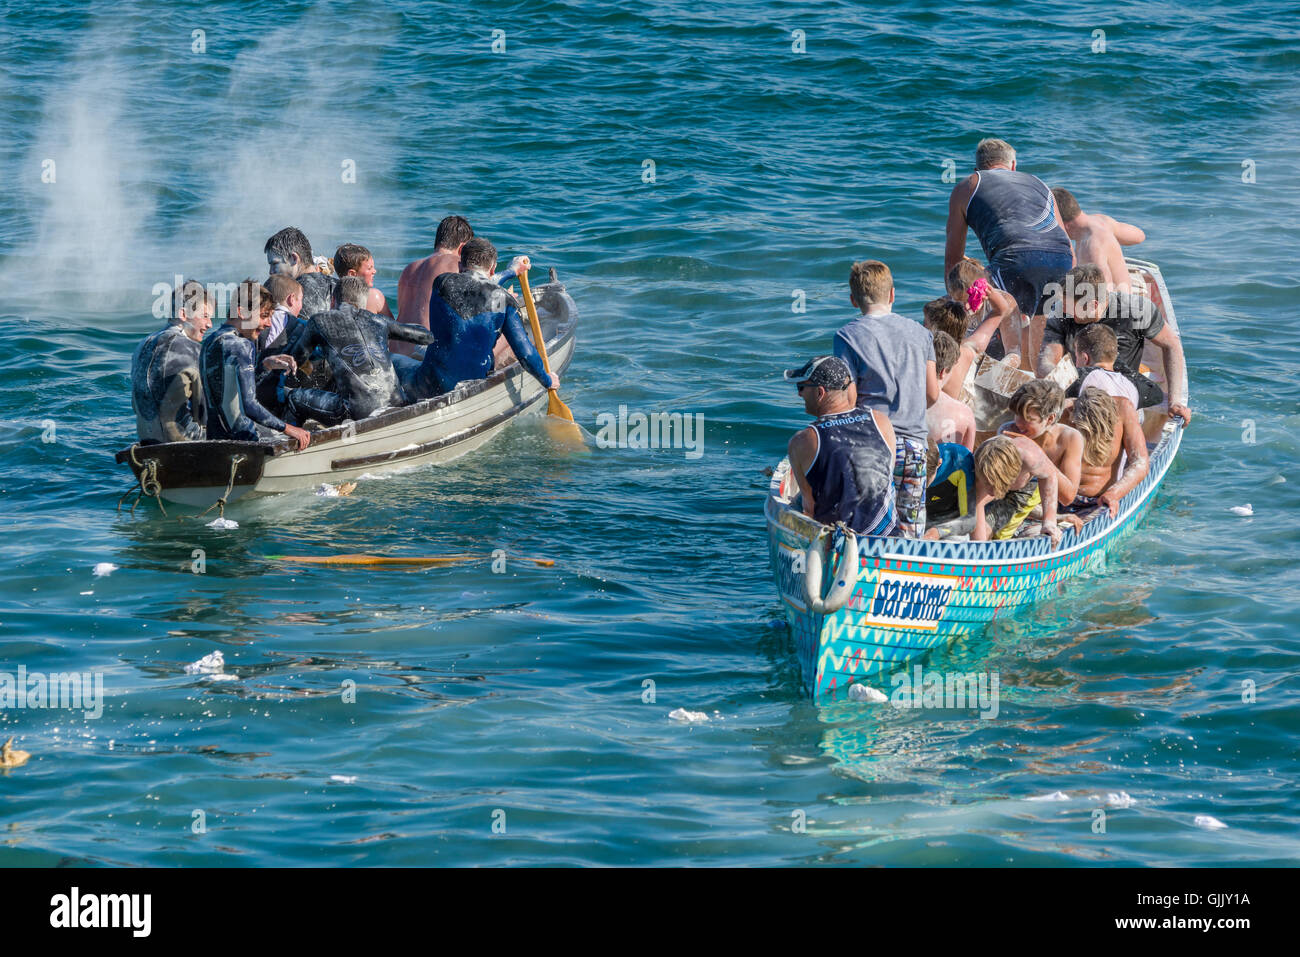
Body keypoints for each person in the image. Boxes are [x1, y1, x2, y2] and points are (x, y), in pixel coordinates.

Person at [832, 259, 938, 538]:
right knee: (910, 527)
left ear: (853, 300)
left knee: (867, 525)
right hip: (915, 445)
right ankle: (909, 573)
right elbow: (932, 393)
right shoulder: (922, 334)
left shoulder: (846, 336)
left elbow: (848, 398)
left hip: (873, 444)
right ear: (893, 294)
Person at [945, 138, 1074, 367]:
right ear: (1013, 166)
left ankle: (1007, 372)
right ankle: (1039, 375)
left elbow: (954, 261)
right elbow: (1068, 247)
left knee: (1008, 324)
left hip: (1016, 260)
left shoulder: (968, 185)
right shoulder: (1040, 184)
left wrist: (956, 301)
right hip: (1062, 260)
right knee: (1037, 325)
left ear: (978, 168)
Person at [400, 238, 557, 402]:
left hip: (430, 385)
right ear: (492, 269)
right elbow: (525, 354)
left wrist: (511, 272)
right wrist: (548, 380)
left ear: (460, 266)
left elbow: (476, 284)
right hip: (474, 389)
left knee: (395, 360)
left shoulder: (441, 283)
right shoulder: (505, 301)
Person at [1039, 263, 1190, 424]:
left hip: (1124, 398)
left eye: (1071, 308)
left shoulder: (1135, 309)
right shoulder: (1061, 313)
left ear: (1094, 304)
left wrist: (1174, 401)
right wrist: (1055, 384)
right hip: (1077, 396)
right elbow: (1047, 361)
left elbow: (1172, 345)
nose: (1066, 312)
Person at [283, 277, 438, 425]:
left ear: (332, 301)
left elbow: (296, 359)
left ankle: (294, 441)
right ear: (363, 303)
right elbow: (426, 337)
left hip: (353, 413)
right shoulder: (378, 320)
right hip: (397, 404)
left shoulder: (318, 321)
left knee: (294, 397)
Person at [784, 356, 898, 536]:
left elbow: (809, 509)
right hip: (887, 542)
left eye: (801, 387)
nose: (799, 394)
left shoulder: (804, 440)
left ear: (820, 393)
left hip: (839, 547)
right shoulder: (881, 421)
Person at [199, 279, 311, 450]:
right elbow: (250, 406)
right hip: (245, 440)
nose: (268, 324)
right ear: (242, 312)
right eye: (264, 316)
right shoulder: (241, 345)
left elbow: (228, 391)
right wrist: (289, 429)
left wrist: (265, 366)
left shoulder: (209, 342)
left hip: (215, 439)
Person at [131, 280, 214, 443]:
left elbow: (135, 404)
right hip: (183, 440)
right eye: (205, 316)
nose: (210, 324)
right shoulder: (193, 349)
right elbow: (205, 410)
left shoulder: (142, 344)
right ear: (183, 315)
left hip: (146, 438)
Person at [1064, 387, 1150, 518]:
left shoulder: (1123, 408)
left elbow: (1141, 462)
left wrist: (1114, 493)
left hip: (1100, 500)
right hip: (1061, 498)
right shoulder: (1062, 412)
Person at [999, 379, 1083, 508]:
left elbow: (1068, 497)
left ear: (1050, 418)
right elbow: (998, 485)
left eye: (1028, 419)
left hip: (1047, 507)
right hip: (1013, 504)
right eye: (1017, 415)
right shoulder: (1009, 431)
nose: (1018, 423)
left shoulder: (1069, 438)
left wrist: (1037, 454)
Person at [971, 434, 1061, 545]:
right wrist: (979, 549)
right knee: (984, 528)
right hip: (992, 475)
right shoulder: (979, 462)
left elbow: (1050, 476)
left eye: (994, 486)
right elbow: (977, 505)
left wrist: (1050, 522)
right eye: (987, 484)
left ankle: (1035, 513)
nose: (990, 491)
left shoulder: (1030, 457)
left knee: (1066, 497)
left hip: (1026, 486)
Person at [1051, 187, 1145, 293]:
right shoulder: (1101, 221)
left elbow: (1105, 291)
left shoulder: (1091, 247)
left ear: (1064, 225)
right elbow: (1139, 237)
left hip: (1118, 303)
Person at [397, 215, 474, 333]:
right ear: (462, 247)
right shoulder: (457, 264)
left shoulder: (409, 269)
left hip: (396, 347)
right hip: (426, 347)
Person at [1065, 322, 1163, 410]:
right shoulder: (1129, 383)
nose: (1076, 363)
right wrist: (1118, 364)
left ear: (1085, 358)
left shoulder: (1078, 377)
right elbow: (1157, 394)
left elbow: (1051, 388)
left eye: (1077, 357)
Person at [924, 295, 1005, 401]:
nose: (923, 327)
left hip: (940, 413)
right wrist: (988, 292)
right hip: (961, 408)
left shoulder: (934, 358)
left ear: (937, 330)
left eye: (926, 323)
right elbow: (1000, 310)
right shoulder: (970, 349)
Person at [945, 257, 1024, 365]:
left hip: (997, 362)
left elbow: (1013, 352)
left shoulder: (1006, 302)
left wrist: (997, 371)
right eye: (959, 301)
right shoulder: (945, 306)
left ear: (983, 291)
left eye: (970, 299)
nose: (966, 306)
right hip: (964, 361)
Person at [265, 227, 337, 319]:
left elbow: (250, 326)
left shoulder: (291, 296)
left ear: (294, 258)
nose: (271, 272)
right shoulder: (339, 285)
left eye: (275, 264)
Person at [926, 330, 975, 450]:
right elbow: (966, 459)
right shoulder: (964, 413)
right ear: (943, 372)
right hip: (948, 469)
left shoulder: (901, 402)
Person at [923, 438, 975, 533]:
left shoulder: (960, 461)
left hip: (948, 524)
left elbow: (970, 520)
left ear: (939, 463)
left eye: (925, 480)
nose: (921, 485)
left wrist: (938, 532)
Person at [334, 242, 395, 318]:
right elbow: (393, 327)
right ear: (352, 274)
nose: (374, 271)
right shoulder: (374, 296)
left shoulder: (332, 296)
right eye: (369, 268)